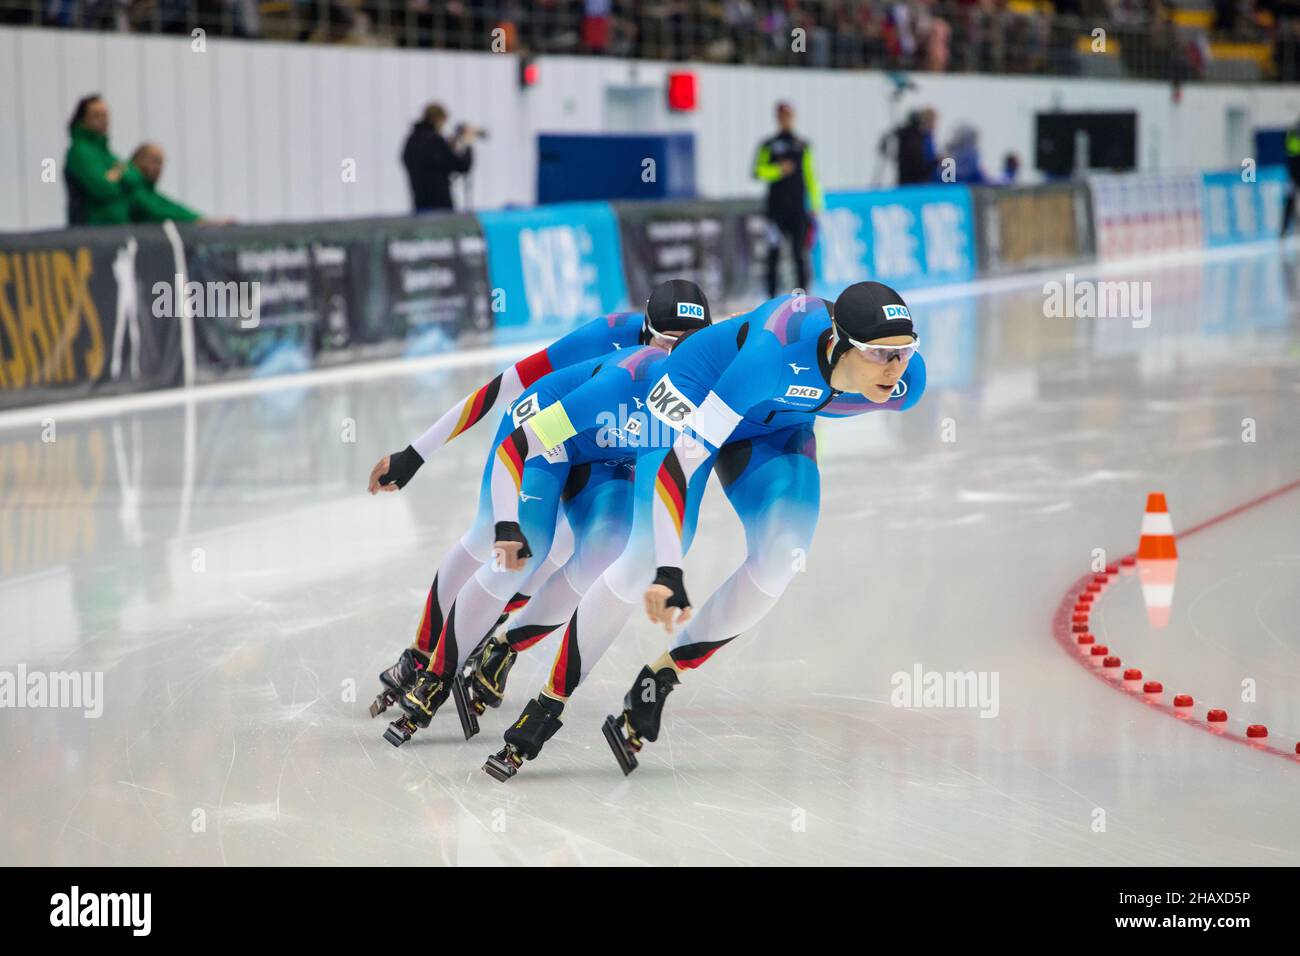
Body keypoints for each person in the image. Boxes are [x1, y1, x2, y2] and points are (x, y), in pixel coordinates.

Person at [478, 282, 928, 779]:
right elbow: (680, 460)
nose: (896, 368)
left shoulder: (907, 386)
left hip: (774, 430)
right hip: (694, 403)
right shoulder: (770, 356)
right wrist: (670, 569)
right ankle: (546, 702)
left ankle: (659, 679)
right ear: (837, 343)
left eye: (905, 351)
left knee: (781, 558)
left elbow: (850, 385)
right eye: (881, 354)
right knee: (641, 565)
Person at [364, 280, 713, 721]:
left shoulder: (704, 367)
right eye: (667, 343)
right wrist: (416, 453)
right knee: (508, 542)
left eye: (691, 344)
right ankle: (420, 656)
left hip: (610, 454)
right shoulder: (603, 337)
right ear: (644, 331)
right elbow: (504, 385)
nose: (678, 355)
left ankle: (502, 643)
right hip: (546, 438)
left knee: (601, 549)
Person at [753, 101, 824, 299]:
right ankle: (771, 296)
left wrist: (816, 204)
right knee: (773, 254)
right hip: (775, 210)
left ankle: (803, 296)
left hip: (797, 209)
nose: (785, 119)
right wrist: (778, 170)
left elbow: (811, 176)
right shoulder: (768, 145)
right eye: (782, 115)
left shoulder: (803, 145)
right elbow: (758, 171)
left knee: (799, 254)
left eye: (788, 115)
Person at [64, 94, 145, 226]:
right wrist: (120, 173)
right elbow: (103, 187)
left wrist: (114, 174)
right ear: (82, 119)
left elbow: (135, 178)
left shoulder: (104, 152)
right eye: (97, 116)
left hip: (116, 229)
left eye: (105, 115)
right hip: (91, 231)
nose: (104, 120)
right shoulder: (79, 152)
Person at [401, 103, 476, 212]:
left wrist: (447, 148)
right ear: (438, 119)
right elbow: (462, 165)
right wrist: (468, 144)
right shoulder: (435, 141)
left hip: (420, 204)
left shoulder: (412, 140)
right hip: (440, 205)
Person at [127, 143, 206, 224]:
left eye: (160, 163)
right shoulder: (128, 185)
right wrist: (196, 220)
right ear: (139, 160)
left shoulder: (147, 190)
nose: (158, 168)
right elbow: (156, 210)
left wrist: (199, 219)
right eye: (155, 161)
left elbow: (167, 205)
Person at [893, 108, 937, 185]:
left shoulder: (916, 138)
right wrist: (937, 162)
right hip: (914, 186)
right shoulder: (914, 139)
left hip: (914, 184)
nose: (934, 125)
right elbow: (917, 169)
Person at [1282, 117, 1300, 237]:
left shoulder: (1294, 132)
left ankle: (1284, 228)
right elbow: (1292, 156)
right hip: (1294, 174)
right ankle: (1284, 228)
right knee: (1290, 200)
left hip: (1293, 173)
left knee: (1290, 200)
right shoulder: (1294, 133)